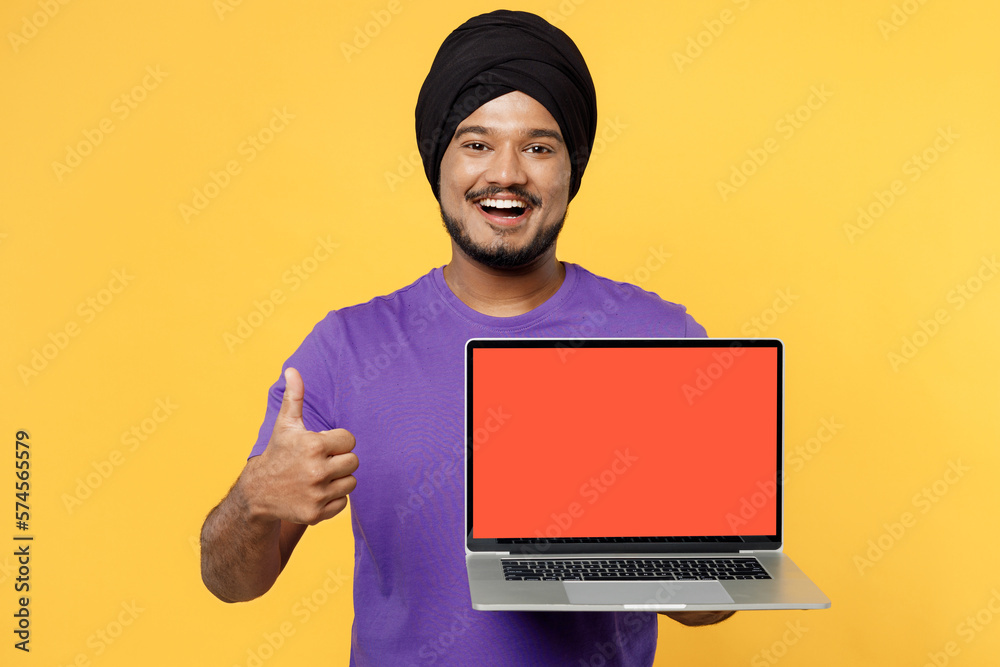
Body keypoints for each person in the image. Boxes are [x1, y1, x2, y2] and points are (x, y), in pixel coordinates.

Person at [200, 9, 733, 665]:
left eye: (539, 147)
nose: (506, 173)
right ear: (439, 161)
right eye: (477, 143)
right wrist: (252, 500)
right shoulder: (345, 350)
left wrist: (647, 529)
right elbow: (231, 580)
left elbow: (713, 603)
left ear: (572, 167)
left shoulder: (661, 336)